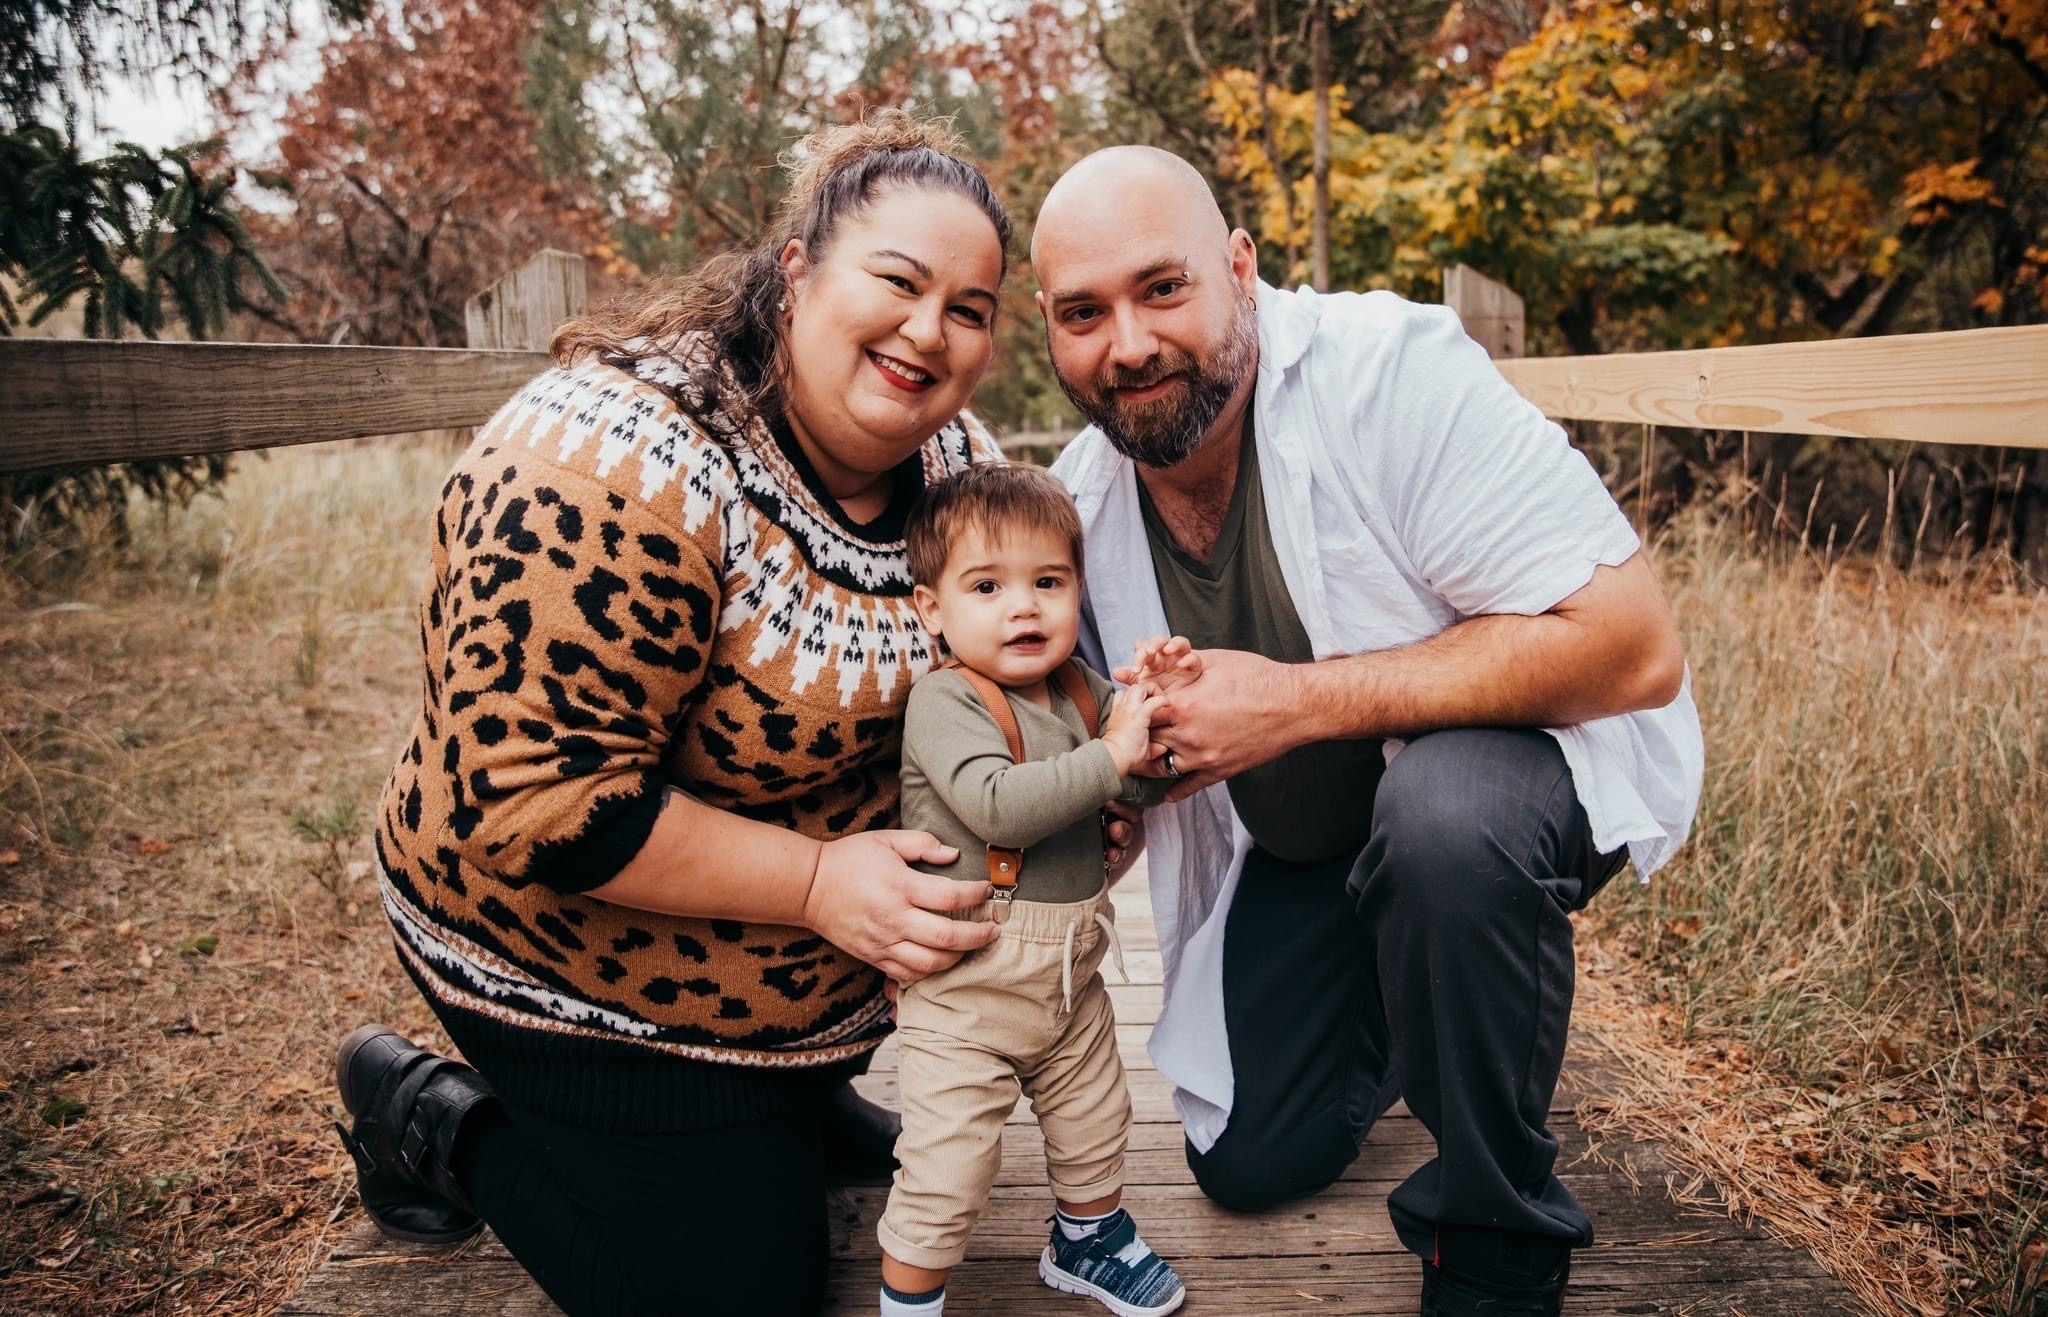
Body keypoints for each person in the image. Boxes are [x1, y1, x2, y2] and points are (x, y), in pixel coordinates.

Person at [329, 112, 1048, 1317]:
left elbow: (986, 669)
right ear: (797, 268)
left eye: (969, 308)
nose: (930, 332)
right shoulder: (609, 461)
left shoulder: (957, 466)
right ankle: (430, 1116)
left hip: (789, 958)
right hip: (558, 951)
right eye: (898, 281)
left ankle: (791, 1094)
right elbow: (533, 802)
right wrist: (824, 889)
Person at [1030, 146, 1704, 1317]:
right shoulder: (1077, 504)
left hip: (1498, 788)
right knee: (1247, 1163)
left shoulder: (1387, 377)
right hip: (1309, 851)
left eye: (1162, 288)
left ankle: (1493, 1245)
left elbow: (1632, 647)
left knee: (1444, 826)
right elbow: (1097, 757)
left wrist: (1291, 702)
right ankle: (1422, 983)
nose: (1126, 344)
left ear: (1239, 268)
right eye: (1081, 313)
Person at [877, 462, 1189, 1317]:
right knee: (948, 1167)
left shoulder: (1084, 690)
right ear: (932, 609)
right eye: (988, 585)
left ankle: (1086, 1240)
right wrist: (1112, 753)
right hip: (965, 987)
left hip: (1066, 979)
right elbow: (998, 807)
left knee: (1097, 1119)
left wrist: (1154, 713)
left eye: (1049, 582)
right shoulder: (947, 700)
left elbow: (1143, 787)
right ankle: (910, 1300)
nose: (1025, 606)